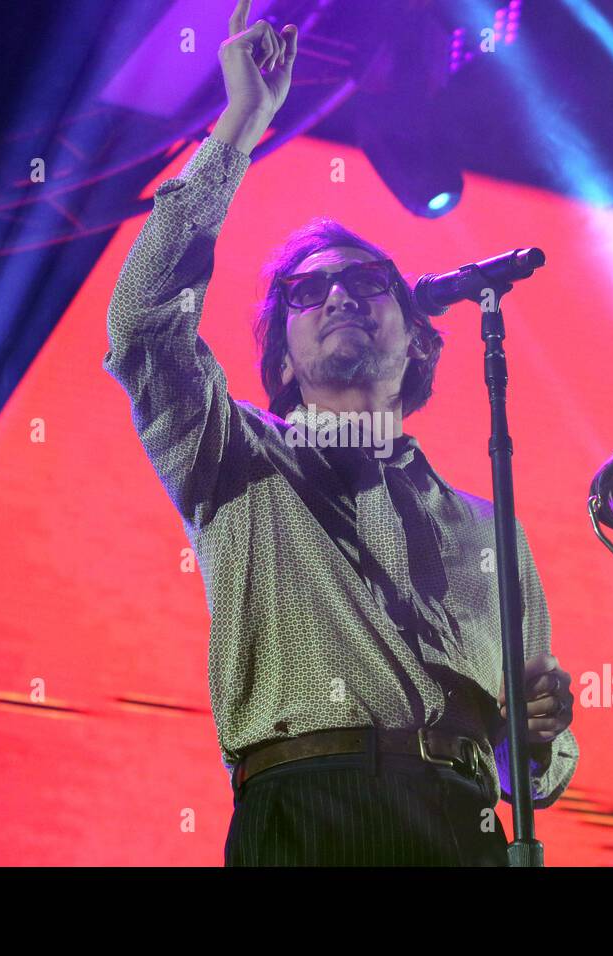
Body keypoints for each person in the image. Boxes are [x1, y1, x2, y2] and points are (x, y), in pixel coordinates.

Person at [103, 0, 577, 866]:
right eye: (305, 291)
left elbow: (532, 766)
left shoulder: (487, 526)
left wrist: (540, 734)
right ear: (280, 351)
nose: (338, 298)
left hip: (463, 822)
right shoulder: (232, 454)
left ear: (419, 332)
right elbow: (140, 325)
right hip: (305, 814)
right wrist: (240, 126)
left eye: (367, 282)